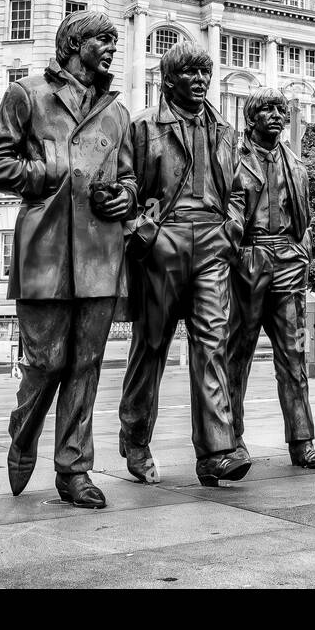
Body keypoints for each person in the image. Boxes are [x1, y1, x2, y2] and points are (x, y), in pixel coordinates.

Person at [0, 11, 135, 509]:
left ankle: (74, 469)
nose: (110, 48)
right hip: (44, 248)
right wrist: (42, 172)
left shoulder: (117, 112)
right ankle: (24, 430)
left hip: (101, 253)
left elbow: (128, 178)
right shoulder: (29, 94)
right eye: (101, 40)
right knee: (45, 362)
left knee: (86, 364)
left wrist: (124, 198)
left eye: (113, 40)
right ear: (73, 43)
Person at [117, 41, 251, 487]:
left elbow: (236, 189)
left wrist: (232, 227)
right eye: (190, 73)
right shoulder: (142, 128)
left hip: (213, 242)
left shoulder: (225, 131)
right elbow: (126, 186)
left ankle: (216, 452)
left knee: (212, 345)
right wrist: (144, 231)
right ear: (169, 79)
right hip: (164, 240)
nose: (199, 81)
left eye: (204, 74)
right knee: (151, 347)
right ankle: (135, 438)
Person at [227, 88, 315, 469]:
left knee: (294, 357)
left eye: (280, 110)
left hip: (288, 259)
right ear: (250, 117)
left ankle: (302, 442)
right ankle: (232, 441)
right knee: (237, 356)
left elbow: (302, 217)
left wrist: (302, 252)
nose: (275, 115)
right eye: (266, 109)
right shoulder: (233, 159)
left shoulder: (296, 163)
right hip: (249, 258)